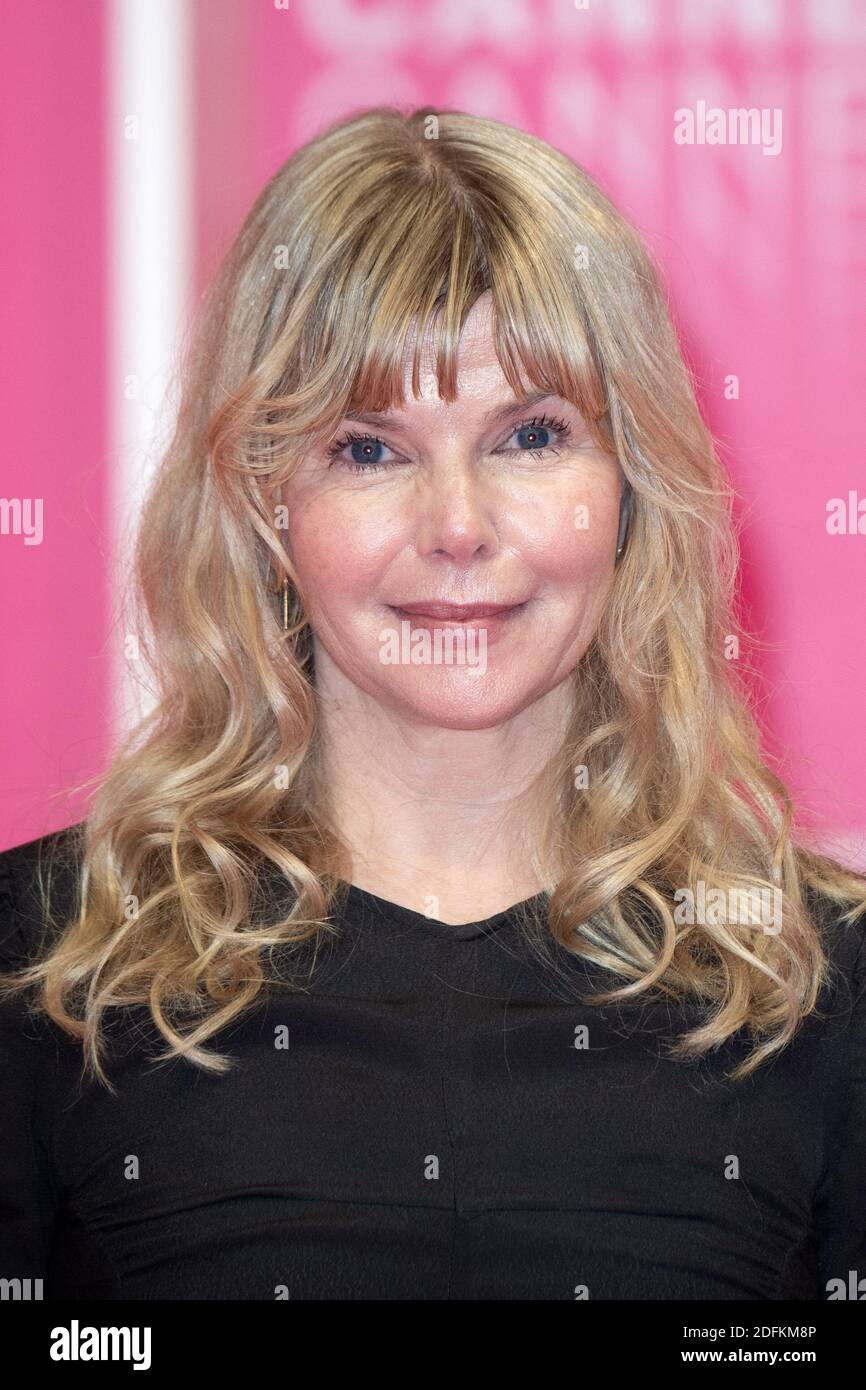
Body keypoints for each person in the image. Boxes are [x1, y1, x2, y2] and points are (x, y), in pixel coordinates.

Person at [1, 106, 864, 1302]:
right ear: (264, 502)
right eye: (368, 450)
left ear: (631, 487)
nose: (457, 527)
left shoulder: (821, 983)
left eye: (529, 436)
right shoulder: (41, 960)